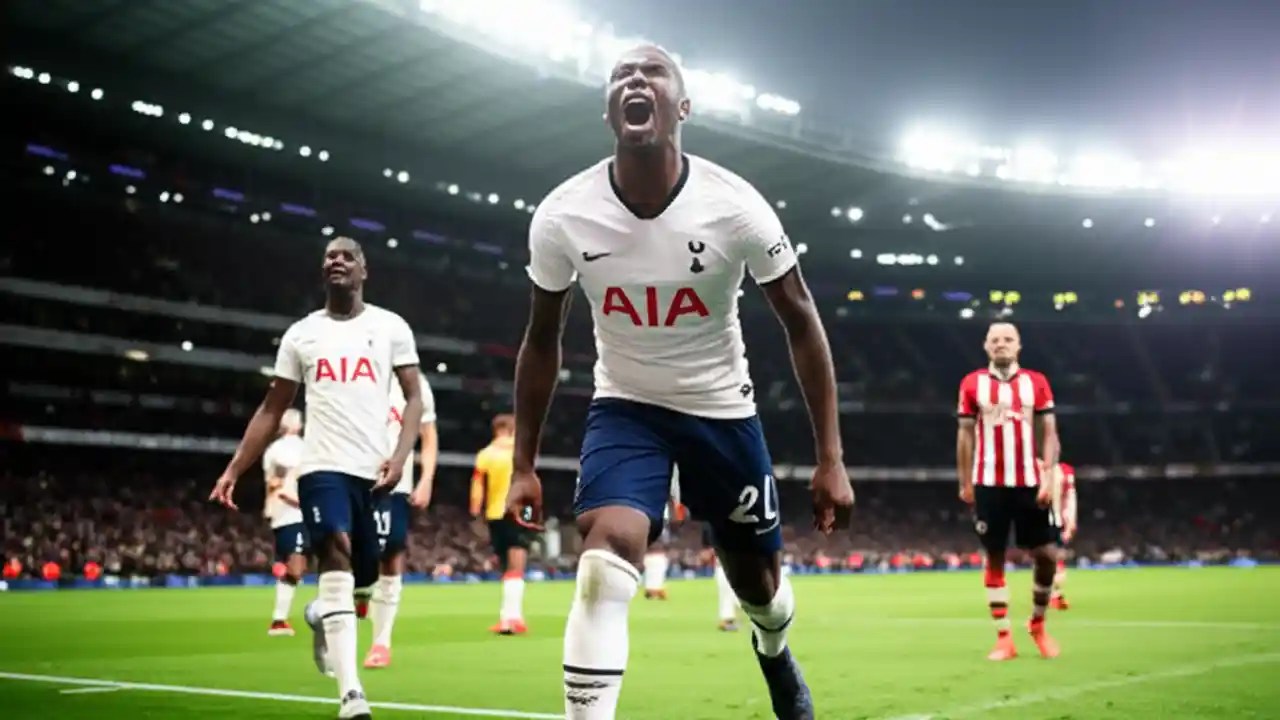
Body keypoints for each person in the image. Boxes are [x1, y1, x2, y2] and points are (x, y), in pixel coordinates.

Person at [505, 44, 854, 720]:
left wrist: (831, 458)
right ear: (609, 110)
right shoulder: (561, 215)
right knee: (604, 558)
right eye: (620, 76)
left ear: (683, 106)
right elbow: (540, 341)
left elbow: (803, 322)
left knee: (760, 589)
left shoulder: (737, 207)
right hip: (626, 407)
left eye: (653, 72)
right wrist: (522, 462)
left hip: (722, 408)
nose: (635, 79)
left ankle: (774, 652)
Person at [210, 236, 423, 720]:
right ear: (322, 270)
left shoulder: (391, 327)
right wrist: (234, 468)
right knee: (335, 551)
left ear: (363, 270)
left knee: (364, 578)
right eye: (329, 256)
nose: (337, 261)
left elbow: (414, 400)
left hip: (375, 473)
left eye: (347, 256)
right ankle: (352, 695)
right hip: (322, 468)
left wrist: (399, 454)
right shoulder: (301, 335)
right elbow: (272, 408)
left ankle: (320, 616)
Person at [956, 321, 1062, 662]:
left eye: (1008, 339)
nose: (1001, 344)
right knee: (995, 556)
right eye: (995, 339)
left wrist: (1047, 476)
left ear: (1019, 346)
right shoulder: (973, 384)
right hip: (989, 483)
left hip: (1030, 482)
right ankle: (1004, 638)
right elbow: (965, 435)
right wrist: (965, 480)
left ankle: (1038, 623)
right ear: (986, 346)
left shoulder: (1037, 382)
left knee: (1047, 555)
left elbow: (1049, 433)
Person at [361, 373, 438, 669]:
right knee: (346, 552)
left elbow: (428, 434)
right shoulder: (355, 368)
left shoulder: (415, 382)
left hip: (395, 485)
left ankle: (381, 642)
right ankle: (357, 596)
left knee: (391, 550)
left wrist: (426, 478)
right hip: (351, 476)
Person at [469, 414, 526, 634]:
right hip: (518, 511)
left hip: (495, 513)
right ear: (511, 429)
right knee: (517, 566)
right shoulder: (520, 453)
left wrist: (476, 511)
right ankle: (511, 618)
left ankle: (509, 616)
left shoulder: (485, 454)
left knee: (506, 566)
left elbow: (477, 486)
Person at [262, 408, 308, 636]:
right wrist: (301, 503)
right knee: (296, 566)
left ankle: (280, 619)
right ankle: (279, 620)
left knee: (300, 564)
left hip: (292, 515)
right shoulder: (285, 450)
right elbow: (276, 485)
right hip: (292, 514)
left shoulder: (279, 449)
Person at [641, 467, 685, 601]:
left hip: (658, 525)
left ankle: (653, 589)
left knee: (658, 565)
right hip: (655, 533)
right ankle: (654, 589)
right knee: (657, 563)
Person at [1050, 460, 1077, 610]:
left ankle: (1055, 595)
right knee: (1052, 560)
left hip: (1054, 522)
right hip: (1049, 522)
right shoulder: (1065, 471)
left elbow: (1070, 498)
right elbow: (1070, 498)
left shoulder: (1065, 471)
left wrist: (1070, 522)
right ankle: (1054, 595)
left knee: (1054, 560)